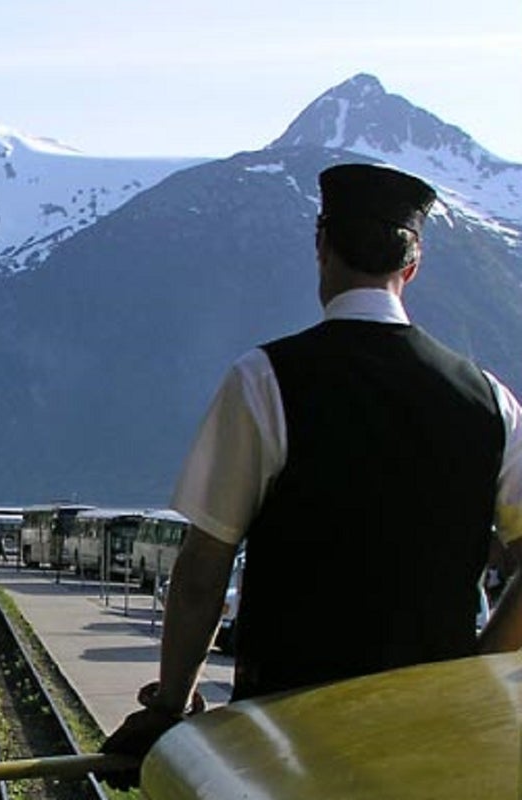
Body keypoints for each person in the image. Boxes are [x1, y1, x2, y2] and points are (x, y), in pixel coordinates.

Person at [99, 163, 522, 789]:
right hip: (438, 740)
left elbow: (203, 570)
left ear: (321, 245)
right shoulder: (490, 399)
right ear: (413, 265)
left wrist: (170, 707)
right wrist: (477, 669)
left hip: (286, 739)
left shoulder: (264, 380)